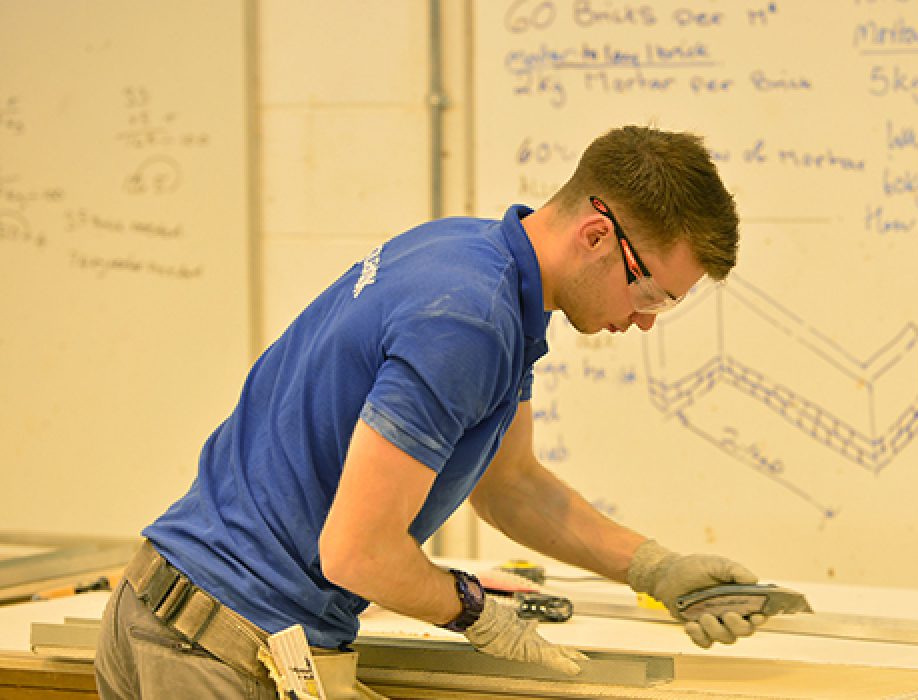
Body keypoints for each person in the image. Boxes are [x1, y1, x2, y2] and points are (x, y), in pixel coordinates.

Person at [95, 125, 773, 699]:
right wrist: (472, 609)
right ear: (598, 236)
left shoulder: (480, 267)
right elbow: (358, 553)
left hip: (171, 614)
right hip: (215, 649)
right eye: (651, 294)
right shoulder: (470, 321)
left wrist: (654, 567)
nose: (646, 322)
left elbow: (511, 487)